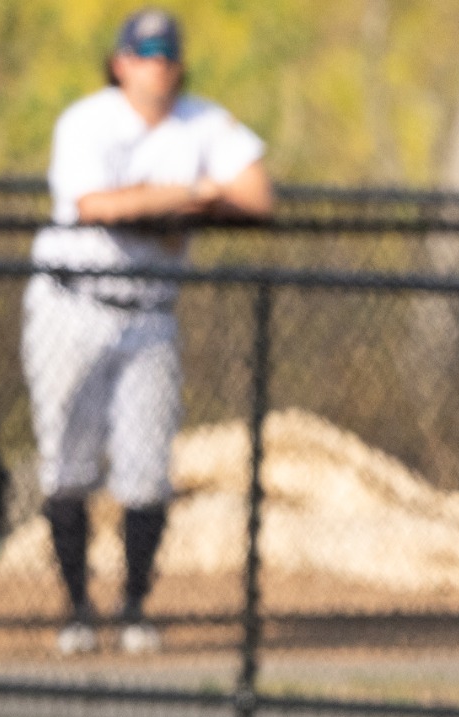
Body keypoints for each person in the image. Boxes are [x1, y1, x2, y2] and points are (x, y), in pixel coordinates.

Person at [23, 8, 273, 656]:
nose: (156, 65)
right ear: (120, 63)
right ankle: (77, 609)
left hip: (151, 313)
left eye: (166, 54)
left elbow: (257, 196)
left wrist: (171, 200)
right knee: (66, 461)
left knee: (146, 468)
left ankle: (133, 607)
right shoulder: (86, 121)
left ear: (179, 65)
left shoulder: (201, 120)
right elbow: (97, 205)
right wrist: (188, 194)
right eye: (144, 54)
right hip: (72, 305)